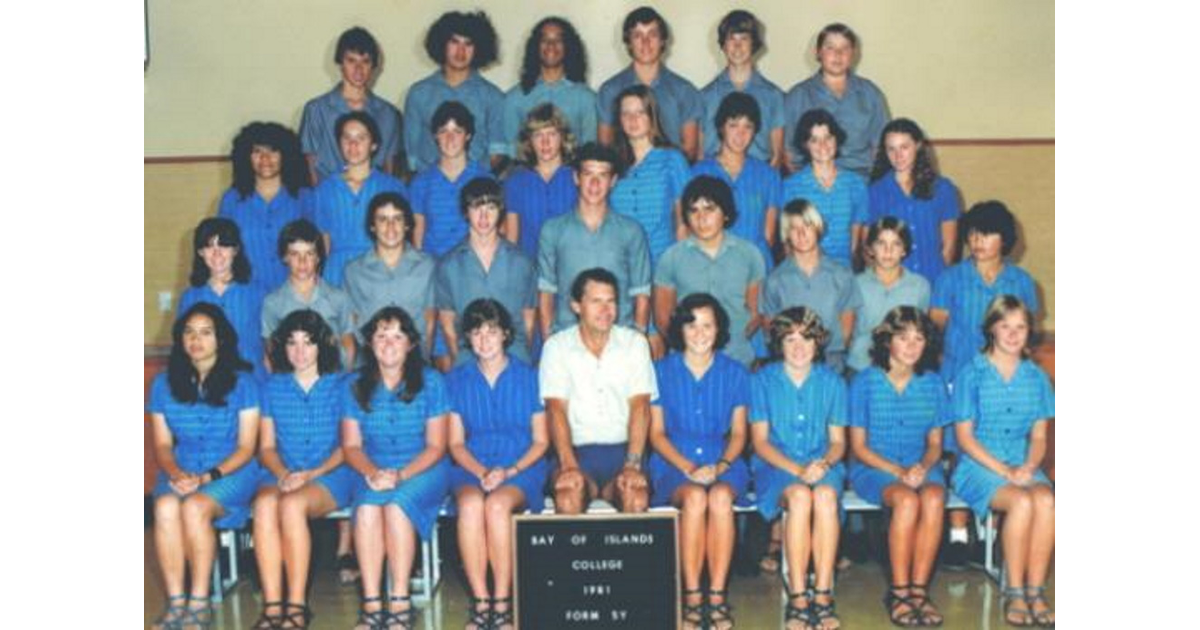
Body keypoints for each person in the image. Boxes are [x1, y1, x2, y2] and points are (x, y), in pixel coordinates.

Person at [148, 303, 261, 630]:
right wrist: (177, 474)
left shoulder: (244, 383)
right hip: (181, 469)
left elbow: (246, 447)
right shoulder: (162, 384)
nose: (196, 340)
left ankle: (200, 602)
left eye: (206, 332)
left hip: (231, 471)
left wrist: (206, 477)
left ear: (221, 339)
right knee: (166, 506)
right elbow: (163, 445)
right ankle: (176, 604)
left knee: (195, 507)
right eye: (189, 332)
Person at [342, 307, 451, 630]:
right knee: (366, 511)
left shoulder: (431, 381)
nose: (389, 344)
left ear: (411, 344)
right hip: (372, 468)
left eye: (397, 336)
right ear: (370, 343)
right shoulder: (354, 384)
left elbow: (437, 446)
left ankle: (401, 601)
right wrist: (374, 474)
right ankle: (373, 604)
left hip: (423, 467)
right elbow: (351, 447)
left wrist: (400, 476)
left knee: (397, 507)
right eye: (381, 336)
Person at [950, 296, 1054, 627]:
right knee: (1022, 503)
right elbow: (965, 439)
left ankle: (1035, 590)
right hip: (978, 465)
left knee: (1047, 500)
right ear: (991, 328)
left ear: (1029, 331)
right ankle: (1014, 590)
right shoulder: (972, 372)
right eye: (1005, 325)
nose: (1012, 334)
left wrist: (1026, 467)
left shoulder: (1036, 377)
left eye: (1020, 327)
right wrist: (1006, 471)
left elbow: (1039, 437)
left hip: (1022, 462)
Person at [446, 299, 549, 630]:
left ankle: (502, 604)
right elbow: (456, 442)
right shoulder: (456, 380)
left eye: (491, 331)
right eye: (476, 333)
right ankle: (481, 603)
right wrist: (480, 473)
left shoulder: (530, 377)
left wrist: (509, 472)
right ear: (467, 338)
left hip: (521, 466)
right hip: (471, 466)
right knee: (472, 504)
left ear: (506, 334)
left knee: (497, 506)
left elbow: (541, 441)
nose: (484, 340)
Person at [649, 294, 749, 630]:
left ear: (719, 328)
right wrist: (690, 469)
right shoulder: (660, 371)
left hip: (724, 460)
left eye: (708, 325)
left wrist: (720, 467)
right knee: (694, 498)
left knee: (719, 497)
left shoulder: (735, 373)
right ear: (680, 328)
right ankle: (692, 597)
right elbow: (657, 434)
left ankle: (718, 596)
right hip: (674, 462)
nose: (700, 332)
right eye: (692, 324)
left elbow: (738, 434)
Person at [250, 310, 355, 630]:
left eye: (308, 343)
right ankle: (272, 606)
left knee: (292, 505)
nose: (299, 351)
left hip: (331, 472)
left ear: (322, 346)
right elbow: (265, 447)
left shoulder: (343, 385)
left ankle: (296, 606)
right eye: (292, 343)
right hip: (282, 470)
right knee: (265, 504)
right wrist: (283, 474)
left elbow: (349, 446)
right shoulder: (272, 387)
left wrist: (309, 475)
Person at [848, 307, 948, 626]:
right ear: (886, 340)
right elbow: (859, 447)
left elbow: (935, 444)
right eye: (903, 337)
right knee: (905, 500)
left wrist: (921, 466)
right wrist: (899, 473)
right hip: (875, 467)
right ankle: (899, 591)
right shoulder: (864, 382)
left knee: (932, 498)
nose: (911, 345)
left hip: (921, 464)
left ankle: (920, 591)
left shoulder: (932, 383)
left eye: (919, 338)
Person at [750, 307, 847, 630]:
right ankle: (798, 596)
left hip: (821, 464)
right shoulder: (762, 380)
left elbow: (838, 442)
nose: (798, 346)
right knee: (800, 498)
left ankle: (822, 593)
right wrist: (797, 469)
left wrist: (824, 464)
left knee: (825, 498)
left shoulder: (833, 381)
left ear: (818, 342)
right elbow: (761, 442)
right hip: (776, 465)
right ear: (779, 343)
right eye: (790, 339)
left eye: (806, 338)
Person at [539, 268, 657, 515]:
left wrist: (632, 464)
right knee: (568, 497)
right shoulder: (556, 347)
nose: (606, 310)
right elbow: (555, 410)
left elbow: (640, 406)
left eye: (610, 301)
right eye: (596, 302)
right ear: (576, 306)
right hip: (576, 452)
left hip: (623, 450)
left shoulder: (635, 344)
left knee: (635, 498)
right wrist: (568, 465)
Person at [537, 142, 652, 336]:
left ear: (613, 180)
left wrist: (638, 339)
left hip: (618, 337)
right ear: (576, 177)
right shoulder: (552, 230)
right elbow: (546, 291)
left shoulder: (631, 231)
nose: (595, 184)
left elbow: (641, 292)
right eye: (588, 174)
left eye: (603, 175)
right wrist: (550, 340)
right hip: (568, 337)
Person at [654, 175, 764, 367]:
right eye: (694, 211)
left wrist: (730, 341)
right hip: (686, 361)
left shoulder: (750, 254)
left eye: (709, 209)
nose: (701, 219)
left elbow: (755, 314)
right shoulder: (671, 258)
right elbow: (663, 318)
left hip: (737, 359)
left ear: (726, 213)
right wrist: (692, 346)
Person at [931, 200, 1039, 383]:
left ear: (1004, 238)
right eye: (972, 234)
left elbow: (1026, 333)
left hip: (1004, 376)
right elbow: (934, 331)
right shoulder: (949, 279)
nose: (977, 240)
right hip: (958, 373)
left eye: (986, 234)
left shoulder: (1022, 281)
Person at [435, 178, 537, 367]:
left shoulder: (522, 262)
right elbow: (448, 327)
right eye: (476, 208)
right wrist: (463, 365)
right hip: (469, 359)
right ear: (466, 212)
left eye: (490, 208)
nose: (483, 217)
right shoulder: (448, 266)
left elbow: (529, 322)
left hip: (514, 357)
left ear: (500, 212)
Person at [760, 200, 862, 374]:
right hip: (791, 364)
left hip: (832, 364)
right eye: (793, 228)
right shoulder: (775, 279)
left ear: (818, 228)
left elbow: (846, 329)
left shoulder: (841, 275)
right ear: (786, 235)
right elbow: (771, 329)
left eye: (807, 226)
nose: (801, 234)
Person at [311, 111, 408, 287]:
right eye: (346, 138)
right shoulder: (325, 189)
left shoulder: (392, 186)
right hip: (337, 273)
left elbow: (403, 237)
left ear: (373, 144)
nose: (353, 144)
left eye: (361, 138)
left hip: (379, 269)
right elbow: (323, 241)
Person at [404, 11, 504, 173]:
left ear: (478, 48)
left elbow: (497, 152)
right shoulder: (419, 94)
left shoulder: (492, 96)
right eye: (454, 42)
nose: (461, 51)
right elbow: (412, 157)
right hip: (430, 187)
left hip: (476, 187)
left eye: (468, 44)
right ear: (442, 43)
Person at [597, 6, 702, 161]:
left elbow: (690, 149)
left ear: (662, 41)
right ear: (628, 42)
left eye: (652, 34)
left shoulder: (684, 91)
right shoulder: (609, 91)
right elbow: (604, 149)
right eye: (638, 35)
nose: (645, 42)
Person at [783, 23, 888, 177]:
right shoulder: (798, 96)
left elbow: (880, 148)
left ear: (853, 53)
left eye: (845, 48)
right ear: (818, 52)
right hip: (813, 184)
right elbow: (788, 152)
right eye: (830, 48)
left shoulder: (870, 94)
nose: (838, 54)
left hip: (861, 182)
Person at [299, 27, 403, 183]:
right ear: (340, 63)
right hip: (330, 197)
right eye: (351, 60)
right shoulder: (317, 110)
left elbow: (390, 167)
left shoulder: (388, 114)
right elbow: (310, 164)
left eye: (365, 61)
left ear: (373, 66)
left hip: (373, 198)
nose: (358, 69)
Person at [692, 91, 782, 269]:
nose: (740, 134)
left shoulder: (768, 175)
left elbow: (769, 235)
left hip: (756, 267)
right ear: (721, 127)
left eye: (747, 126)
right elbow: (693, 228)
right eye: (733, 125)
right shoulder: (699, 172)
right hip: (712, 266)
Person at [219, 122, 313, 290]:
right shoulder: (231, 200)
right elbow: (223, 252)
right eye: (257, 151)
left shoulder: (305, 197)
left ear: (285, 155)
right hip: (246, 293)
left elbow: (318, 249)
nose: (265, 158)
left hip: (295, 292)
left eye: (273, 151)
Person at [344, 192, 438, 360]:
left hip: (414, 360)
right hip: (371, 361)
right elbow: (352, 323)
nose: (391, 226)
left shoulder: (427, 266)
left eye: (397, 219)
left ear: (407, 225)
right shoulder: (354, 271)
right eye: (382, 219)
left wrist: (422, 361)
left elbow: (430, 320)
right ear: (372, 226)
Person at [867, 118, 962, 284]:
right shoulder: (874, 192)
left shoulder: (943, 189)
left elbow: (949, 246)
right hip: (894, 285)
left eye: (904, 147)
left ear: (918, 146)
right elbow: (868, 248)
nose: (898, 156)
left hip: (934, 282)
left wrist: (940, 286)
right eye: (891, 149)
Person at [610, 84, 692, 265]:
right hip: (621, 260)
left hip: (662, 258)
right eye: (626, 113)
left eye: (640, 112)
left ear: (651, 116)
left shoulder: (672, 159)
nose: (633, 119)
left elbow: (685, 215)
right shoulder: (611, 164)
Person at [179, 218, 268, 381]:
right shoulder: (190, 297)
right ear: (200, 252)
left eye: (223, 245)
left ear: (235, 250)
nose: (217, 253)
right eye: (209, 246)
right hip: (207, 383)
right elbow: (184, 348)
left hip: (252, 380)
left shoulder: (258, 293)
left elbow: (272, 346)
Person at [261, 219, 356, 371]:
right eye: (295, 254)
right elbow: (270, 353)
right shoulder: (273, 303)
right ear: (285, 257)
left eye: (309, 254)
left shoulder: (338, 298)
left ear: (318, 257)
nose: (302, 262)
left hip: (332, 380)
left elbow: (348, 343)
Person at [782, 109, 869, 270]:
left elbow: (856, 244)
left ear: (836, 139)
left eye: (828, 137)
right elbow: (787, 242)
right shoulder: (791, 187)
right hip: (806, 270)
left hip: (845, 273)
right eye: (814, 140)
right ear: (805, 145)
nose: (823, 145)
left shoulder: (855, 184)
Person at [499, 17, 596, 159]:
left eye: (558, 40)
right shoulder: (514, 98)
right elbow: (510, 151)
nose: (551, 45)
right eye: (545, 40)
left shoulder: (586, 98)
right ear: (535, 46)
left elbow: (590, 148)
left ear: (568, 46)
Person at [699, 9, 785, 166]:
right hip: (715, 181)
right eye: (731, 39)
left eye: (744, 39)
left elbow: (777, 155)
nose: (737, 46)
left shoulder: (774, 96)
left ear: (754, 44)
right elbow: (699, 153)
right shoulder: (705, 97)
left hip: (758, 181)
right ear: (723, 45)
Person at [410, 101, 494, 258]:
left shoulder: (485, 179)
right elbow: (418, 235)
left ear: (468, 135)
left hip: (472, 268)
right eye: (443, 131)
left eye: (457, 131)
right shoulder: (421, 183)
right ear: (435, 135)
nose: (450, 138)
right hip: (434, 268)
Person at [847, 217, 931, 373]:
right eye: (881, 243)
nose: (888, 251)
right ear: (870, 248)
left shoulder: (920, 286)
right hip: (861, 366)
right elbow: (846, 333)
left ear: (904, 249)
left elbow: (922, 335)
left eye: (896, 244)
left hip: (902, 368)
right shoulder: (855, 284)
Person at [502, 103, 578, 260]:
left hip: (570, 266)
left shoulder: (577, 178)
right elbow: (512, 240)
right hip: (530, 269)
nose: (545, 142)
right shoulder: (515, 182)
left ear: (563, 137)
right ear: (529, 141)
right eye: (538, 135)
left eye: (551, 134)